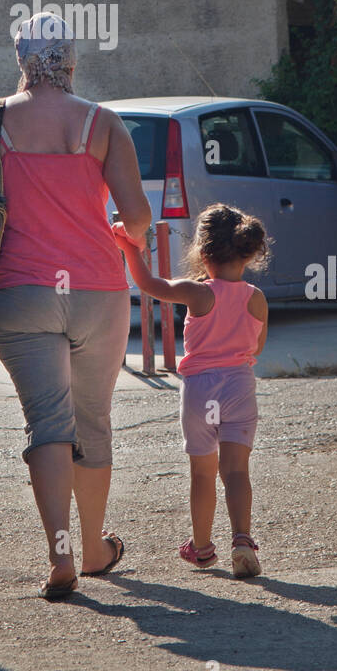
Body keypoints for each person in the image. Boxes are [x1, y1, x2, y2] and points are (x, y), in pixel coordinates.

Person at [0, 13, 151, 600]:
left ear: (20, 59)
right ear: (70, 60)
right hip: (98, 293)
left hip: (20, 294)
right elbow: (136, 216)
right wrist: (120, 228)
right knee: (93, 421)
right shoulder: (103, 123)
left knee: (48, 423)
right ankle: (94, 550)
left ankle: (61, 555)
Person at [113, 202, 268, 576]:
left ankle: (201, 548)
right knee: (236, 472)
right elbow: (257, 349)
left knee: (202, 472)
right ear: (245, 251)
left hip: (202, 392)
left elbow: (150, 286)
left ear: (202, 250)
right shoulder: (256, 298)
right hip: (240, 389)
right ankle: (243, 540)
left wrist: (129, 247)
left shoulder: (198, 294)